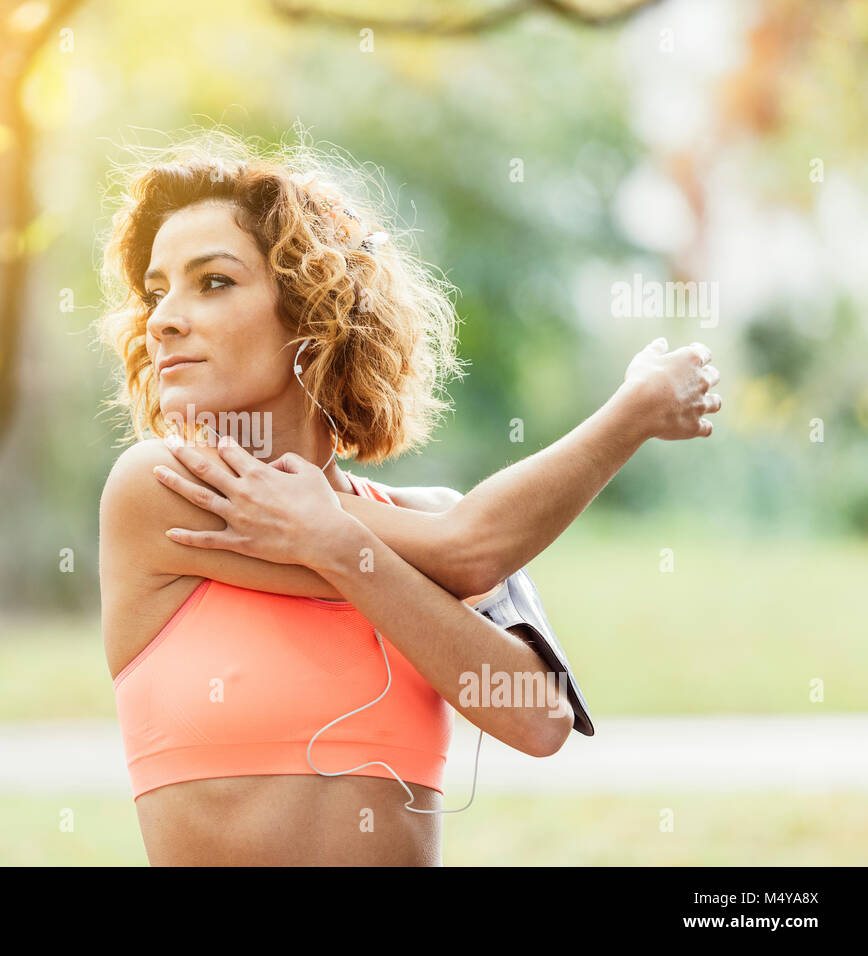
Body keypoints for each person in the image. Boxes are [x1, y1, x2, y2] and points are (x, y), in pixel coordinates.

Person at [94, 131, 722, 866]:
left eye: (213, 282)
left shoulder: (425, 513)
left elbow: (539, 721)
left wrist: (334, 544)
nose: (163, 317)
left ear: (309, 312)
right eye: (156, 290)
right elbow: (471, 548)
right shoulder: (162, 489)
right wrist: (633, 413)